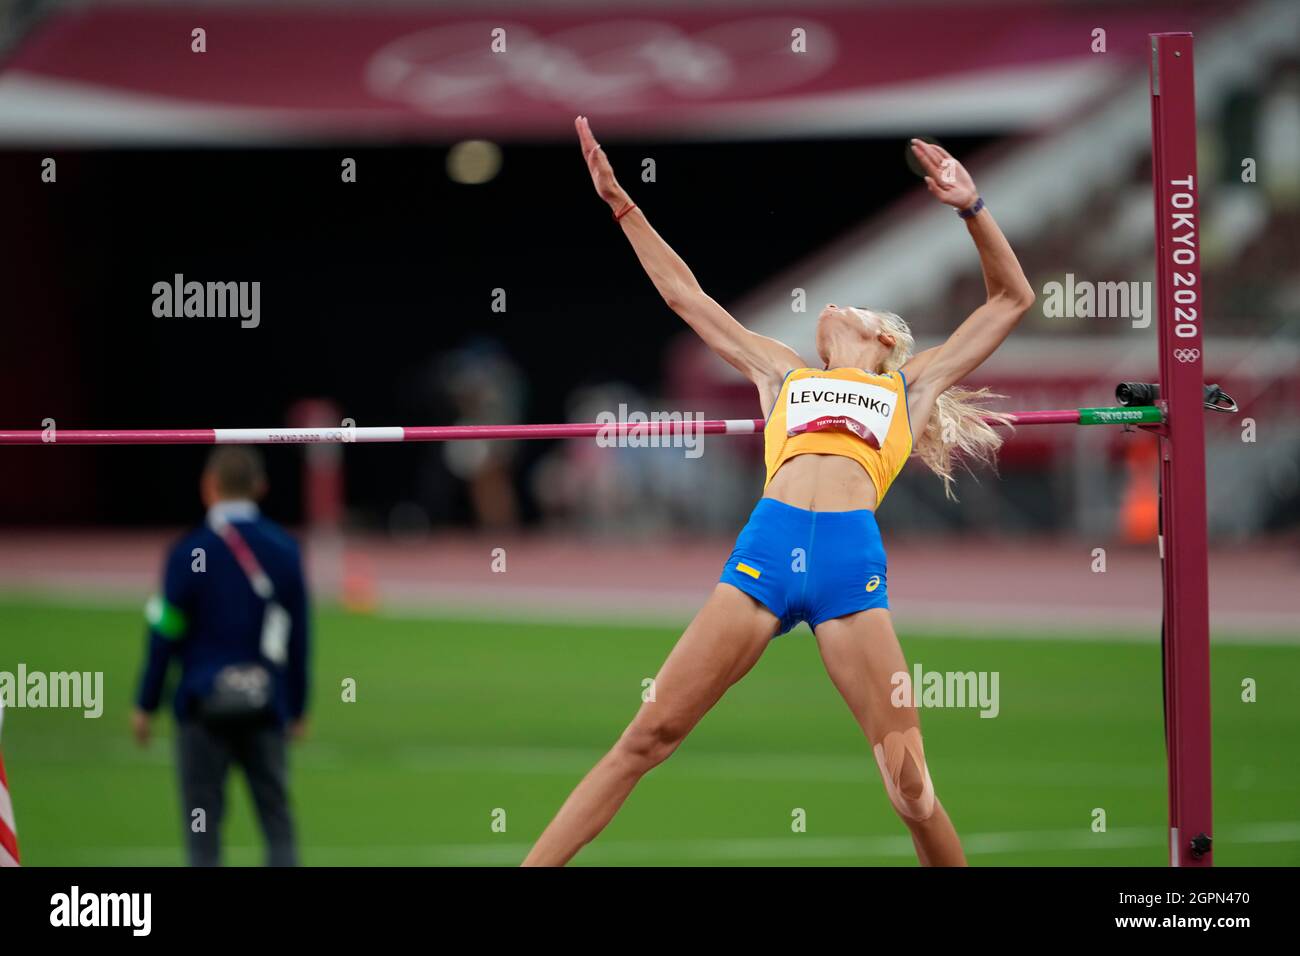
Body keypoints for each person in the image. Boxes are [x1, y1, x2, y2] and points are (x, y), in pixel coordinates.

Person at [522, 119, 1035, 866]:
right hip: (766, 549)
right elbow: (684, 296)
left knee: (911, 789)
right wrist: (622, 204)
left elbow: (1011, 300)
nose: (832, 306)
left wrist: (971, 207)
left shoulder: (909, 385)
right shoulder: (782, 373)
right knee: (645, 739)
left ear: (885, 339)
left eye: (851, 306)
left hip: (847, 570)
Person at [133, 446, 310, 866]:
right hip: (264, 703)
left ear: (208, 487)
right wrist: (297, 706)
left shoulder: (187, 553)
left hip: (201, 705)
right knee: (276, 818)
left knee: (203, 825)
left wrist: (146, 700)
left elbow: (166, 632)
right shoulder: (285, 551)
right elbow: (299, 638)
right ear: (260, 487)